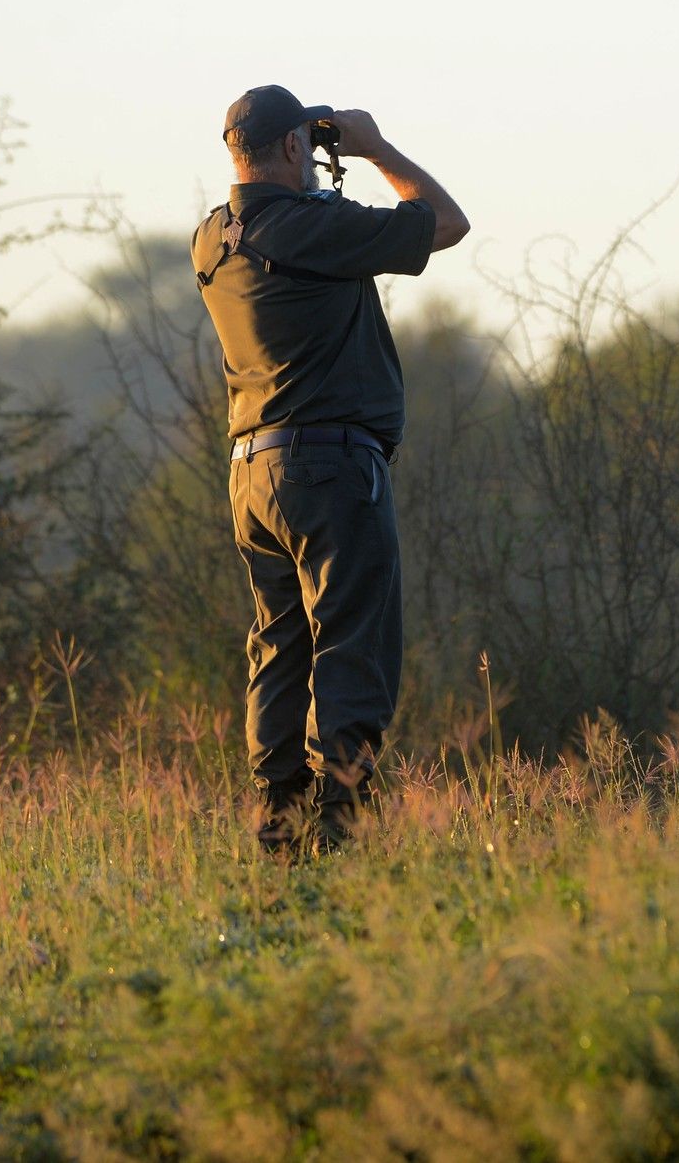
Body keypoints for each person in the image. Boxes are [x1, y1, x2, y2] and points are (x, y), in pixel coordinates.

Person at [192, 85, 469, 857]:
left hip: (252, 471)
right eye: (306, 150)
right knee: (352, 638)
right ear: (290, 149)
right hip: (330, 467)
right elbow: (446, 222)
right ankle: (340, 819)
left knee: (279, 642)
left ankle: (277, 814)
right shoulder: (308, 225)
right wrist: (373, 148)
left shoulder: (211, 240)